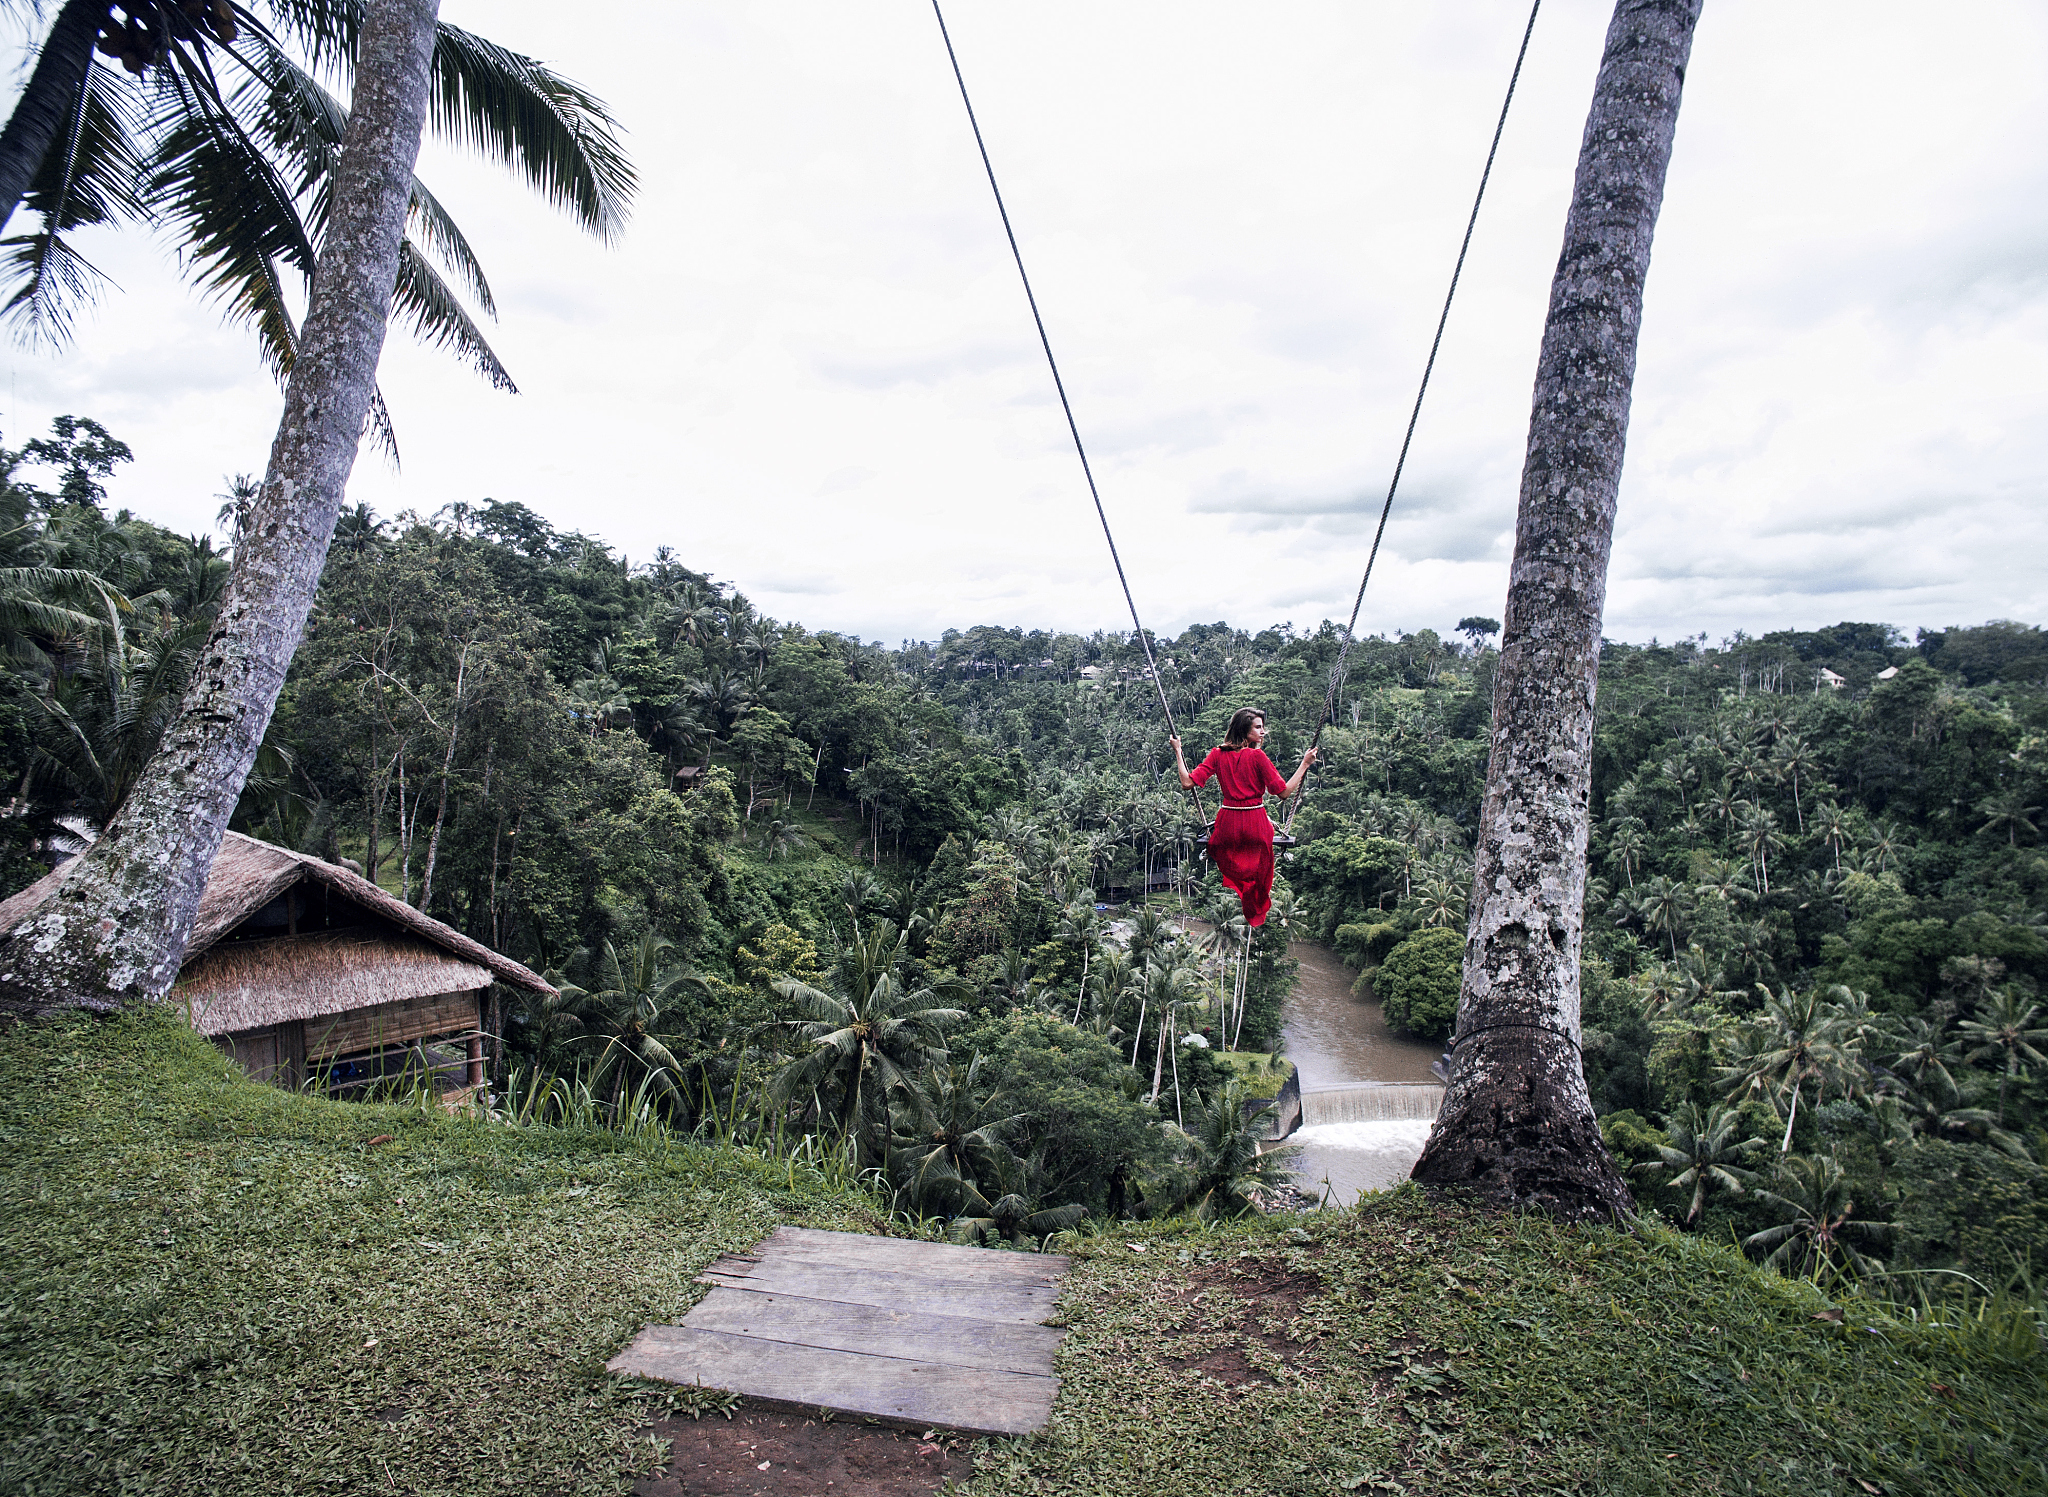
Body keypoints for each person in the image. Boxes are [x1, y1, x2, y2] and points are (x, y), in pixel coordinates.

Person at [1170, 708, 1316, 928]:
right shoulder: (1257, 756)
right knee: (1260, 871)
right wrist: (1304, 764)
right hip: (1255, 821)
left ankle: (1246, 891)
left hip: (1227, 823)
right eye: (1258, 727)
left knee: (1233, 861)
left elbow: (1187, 783)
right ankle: (1253, 900)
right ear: (1245, 731)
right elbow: (1284, 793)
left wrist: (1178, 751)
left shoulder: (1217, 754)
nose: (1263, 732)